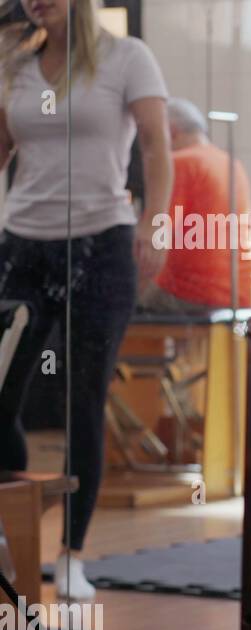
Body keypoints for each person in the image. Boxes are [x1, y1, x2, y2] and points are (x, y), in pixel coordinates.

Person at [0, 0, 171, 599]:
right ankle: (11, 526)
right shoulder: (17, 64)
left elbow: (155, 145)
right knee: (3, 389)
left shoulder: (128, 58)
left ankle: (71, 552)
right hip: (23, 246)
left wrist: (154, 224)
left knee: (82, 398)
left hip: (99, 246)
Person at [138, 97, 251, 314]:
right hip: (238, 295)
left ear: (171, 133)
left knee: (114, 308)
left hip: (192, 295)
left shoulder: (181, 163)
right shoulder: (231, 164)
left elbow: (154, 240)